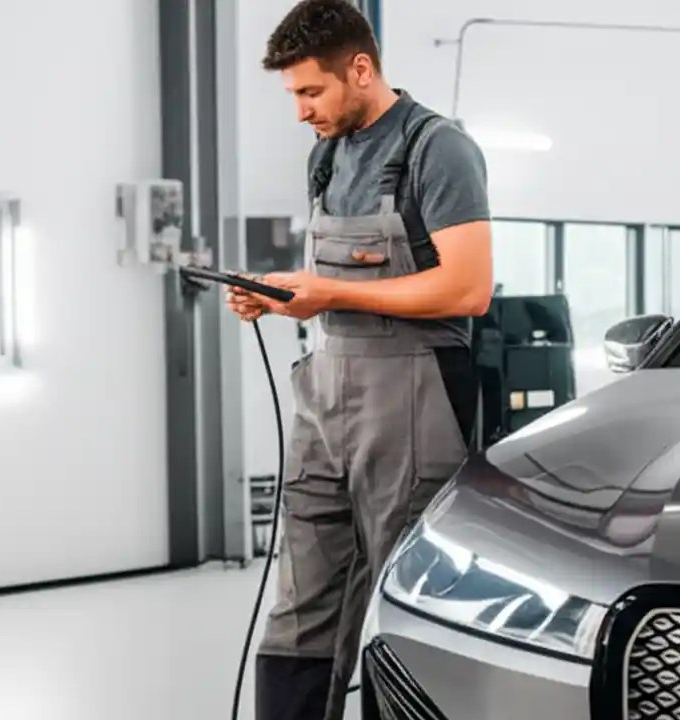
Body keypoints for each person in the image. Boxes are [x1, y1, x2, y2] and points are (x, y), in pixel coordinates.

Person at [225, 1, 493, 718]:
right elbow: (335, 287)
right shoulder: (326, 157)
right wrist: (282, 295)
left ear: (362, 68)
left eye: (310, 91)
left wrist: (328, 292)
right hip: (326, 396)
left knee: (402, 600)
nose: (300, 111)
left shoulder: (438, 148)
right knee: (299, 601)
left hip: (411, 401)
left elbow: (469, 287)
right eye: (292, 95)